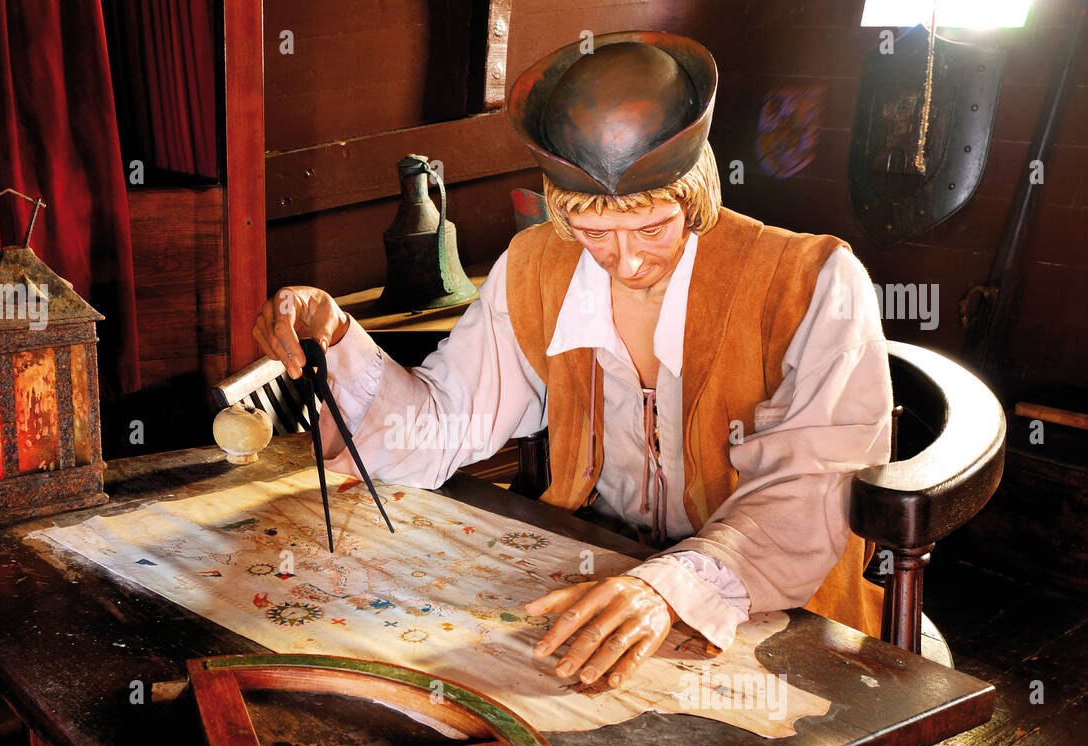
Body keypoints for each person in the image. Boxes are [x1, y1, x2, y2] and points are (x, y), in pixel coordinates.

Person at [251, 31, 891, 690]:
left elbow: (812, 491)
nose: (629, 261)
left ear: (696, 193)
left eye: (651, 228)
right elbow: (440, 426)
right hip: (590, 569)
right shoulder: (535, 271)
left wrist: (670, 586)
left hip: (765, 599)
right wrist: (340, 338)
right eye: (595, 236)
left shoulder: (811, 281)